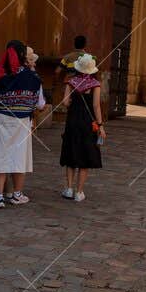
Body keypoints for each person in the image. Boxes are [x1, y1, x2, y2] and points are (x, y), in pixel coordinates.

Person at [0, 41, 41, 207]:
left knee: (0, 155)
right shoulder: (31, 76)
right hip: (21, 120)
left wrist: (0, 104)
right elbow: (36, 100)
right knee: (19, 156)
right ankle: (17, 194)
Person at [60, 54, 103, 202]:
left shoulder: (71, 82)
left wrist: (74, 104)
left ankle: (69, 188)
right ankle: (79, 192)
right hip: (87, 123)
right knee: (85, 156)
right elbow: (96, 106)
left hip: (72, 121)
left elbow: (65, 102)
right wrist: (100, 125)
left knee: (71, 154)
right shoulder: (95, 84)